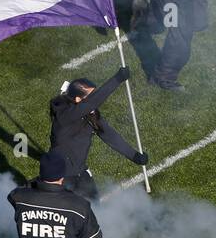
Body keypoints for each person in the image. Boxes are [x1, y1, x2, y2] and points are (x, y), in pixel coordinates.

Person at [49, 70, 147, 198]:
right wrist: (117, 79)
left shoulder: (90, 113)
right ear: (77, 99)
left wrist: (134, 155)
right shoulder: (65, 115)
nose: (95, 99)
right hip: (60, 175)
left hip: (79, 171)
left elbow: (109, 135)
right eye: (91, 96)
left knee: (94, 207)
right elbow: (92, 103)